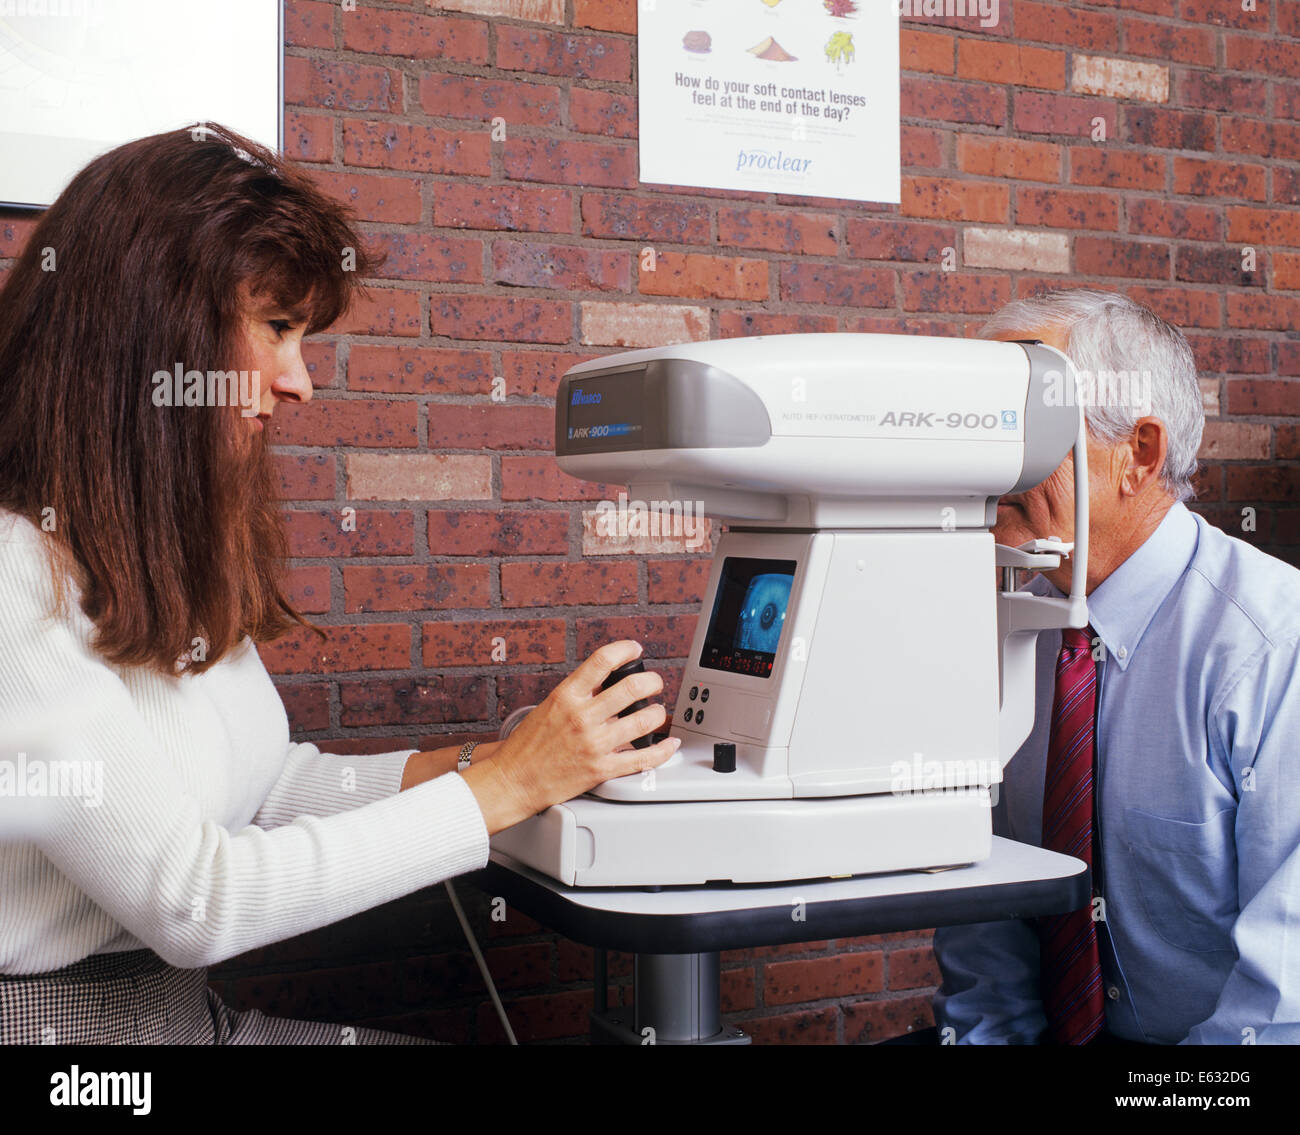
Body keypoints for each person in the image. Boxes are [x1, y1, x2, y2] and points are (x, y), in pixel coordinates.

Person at [0, 124, 680, 1044]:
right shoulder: (12, 575)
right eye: (278, 328)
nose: (301, 382)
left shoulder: (140, 547)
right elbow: (197, 900)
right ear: (150, 329)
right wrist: (502, 791)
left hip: (183, 1019)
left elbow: (271, 786)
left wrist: (490, 763)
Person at [931, 288, 1300, 1045]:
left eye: (1024, 427)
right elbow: (986, 930)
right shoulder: (1001, 631)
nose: (987, 463)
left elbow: (1279, 1005)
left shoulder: (1272, 647)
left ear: (1139, 453)